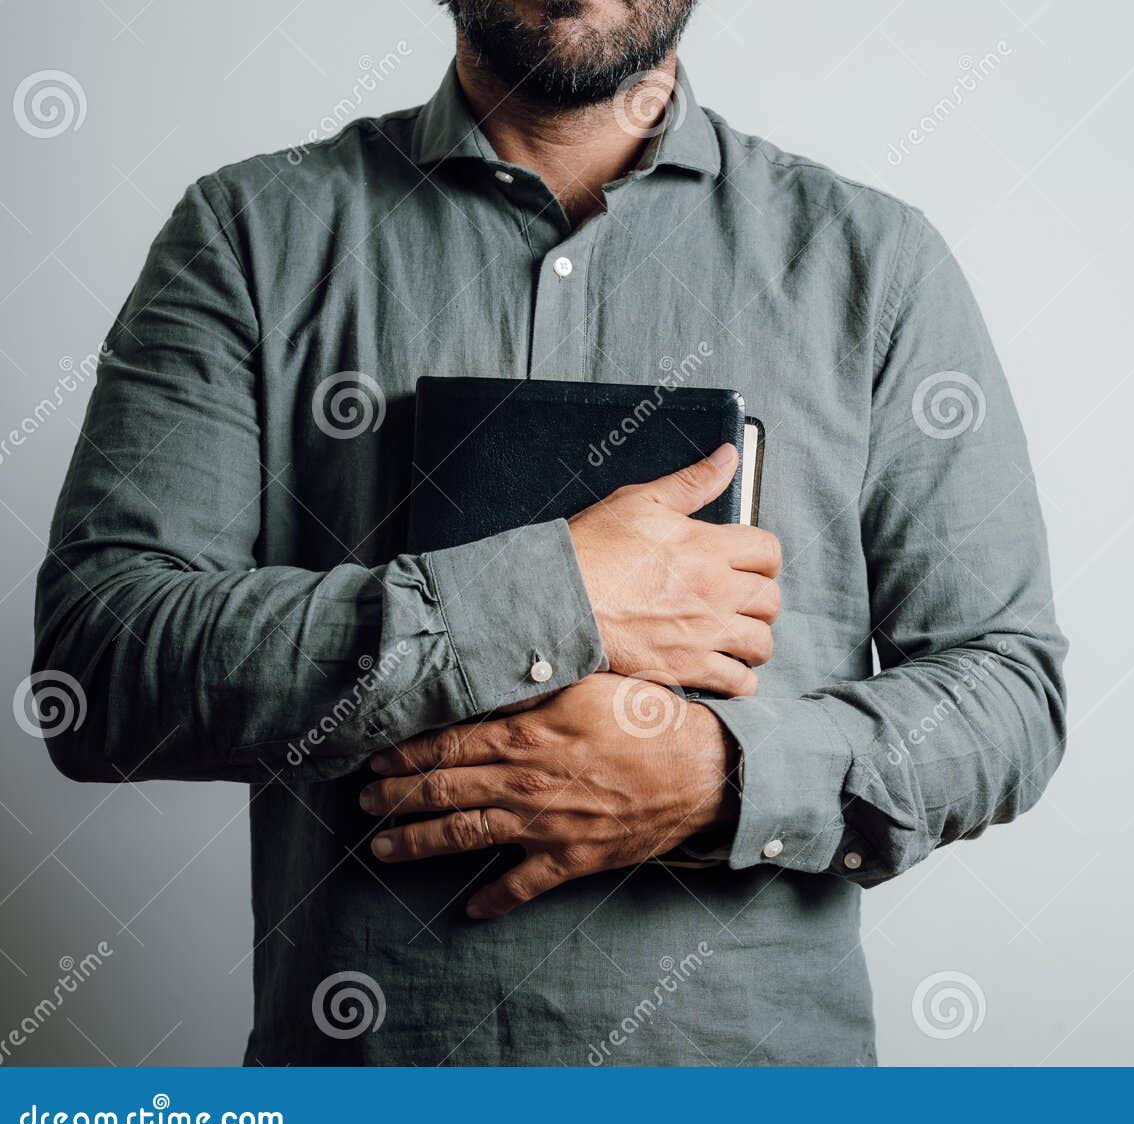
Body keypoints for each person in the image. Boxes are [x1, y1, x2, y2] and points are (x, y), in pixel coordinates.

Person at [33, 0, 1067, 1065]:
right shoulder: (251, 232)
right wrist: (555, 594)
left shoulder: (875, 263)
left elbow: (1007, 691)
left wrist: (720, 775)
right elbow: (100, 663)